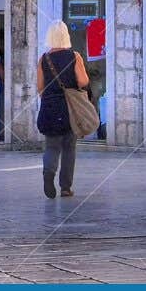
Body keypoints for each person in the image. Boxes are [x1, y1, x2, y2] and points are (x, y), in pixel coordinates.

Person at [35, 20, 90, 199]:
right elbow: (83, 81)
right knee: (69, 147)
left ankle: (48, 173)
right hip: (69, 108)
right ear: (66, 36)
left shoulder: (44, 59)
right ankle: (66, 187)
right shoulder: (75, 56)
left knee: (51, 146)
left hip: (49, 107)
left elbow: (40, 87)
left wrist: (50, 97)